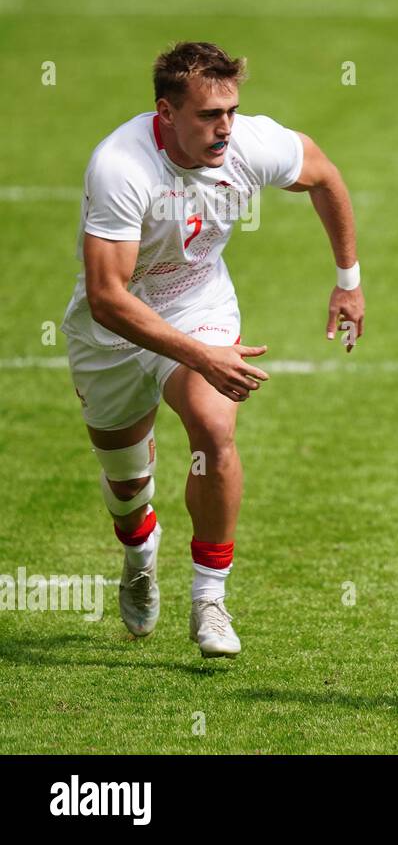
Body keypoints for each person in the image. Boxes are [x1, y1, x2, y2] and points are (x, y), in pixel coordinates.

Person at [61, 41, 365, 658]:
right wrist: (201, 357)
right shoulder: (121, 166)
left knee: (213, 428)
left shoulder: (249, 143)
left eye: (230, 110)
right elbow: (106, 298)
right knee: (126, 484)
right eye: (207, 115)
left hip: (198, 306)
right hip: (114, 330)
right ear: (166, 113)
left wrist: (348, 281)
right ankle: (140, 550)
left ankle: (209, 599)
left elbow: (324, 174)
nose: (224, 126)